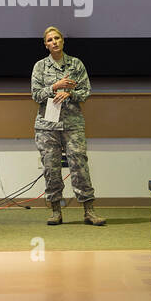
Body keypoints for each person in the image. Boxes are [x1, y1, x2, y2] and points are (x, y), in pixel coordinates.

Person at [30, 26, 104, 226]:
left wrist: (70, 93)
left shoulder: (76, 64)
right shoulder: (40, 67)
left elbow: (86, 92)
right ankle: (56, 211)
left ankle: (89, 211)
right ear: (46, 45)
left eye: (57, 38)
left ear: (63, 41)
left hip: (72, 124)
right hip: (47, 126)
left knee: (80, 166)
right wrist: (54, 87)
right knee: (51, 168)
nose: (54, 42)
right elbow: (36, 95)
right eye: (50, 40)